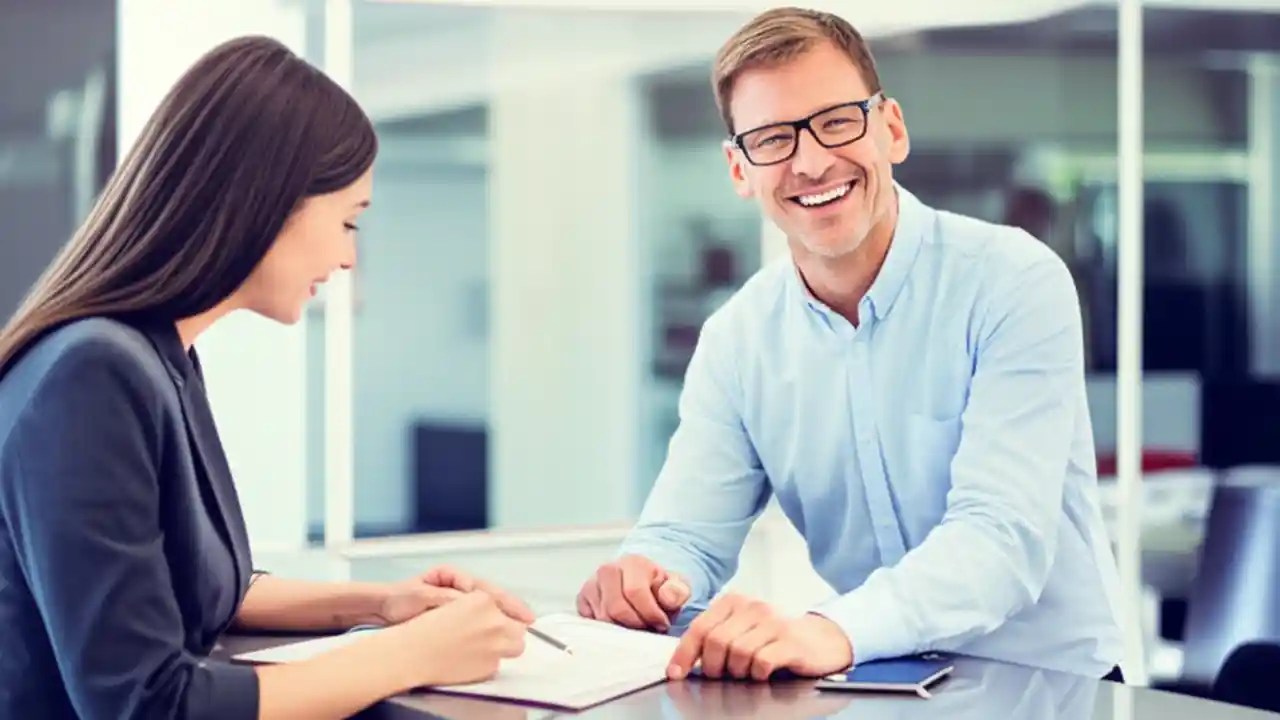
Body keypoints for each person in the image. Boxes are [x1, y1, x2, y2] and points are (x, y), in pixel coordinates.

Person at [576, 7, 1124, 683]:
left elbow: (998, 541)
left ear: (890, 128)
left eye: (836, 121)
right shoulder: (738, 339)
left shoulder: (1013, 281)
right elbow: (685, 536)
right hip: (873, 687)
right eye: (773, 139)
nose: (811, 161)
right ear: (740, 169)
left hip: (1049, 692)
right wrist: (644, 582)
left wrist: (827, 628)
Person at [0, 37, 533, 719]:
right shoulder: (94, 374)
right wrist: (413, 653)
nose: (347, 258)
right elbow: (145, 705)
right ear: (267, 200)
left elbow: (192, 583)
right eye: (347, 221)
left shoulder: (158, 357)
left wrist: (382, 604)